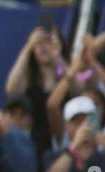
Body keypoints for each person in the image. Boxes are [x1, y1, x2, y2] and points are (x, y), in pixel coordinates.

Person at [4, 20, 67, 164]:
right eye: (40, 42)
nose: (44, 47)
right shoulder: (28, 78)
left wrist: (58, 57)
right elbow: (11, 89)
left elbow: (78, 87)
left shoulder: (65, 70)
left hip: (63, 142)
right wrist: (28, 46)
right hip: (34, 144)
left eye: (49, 41)